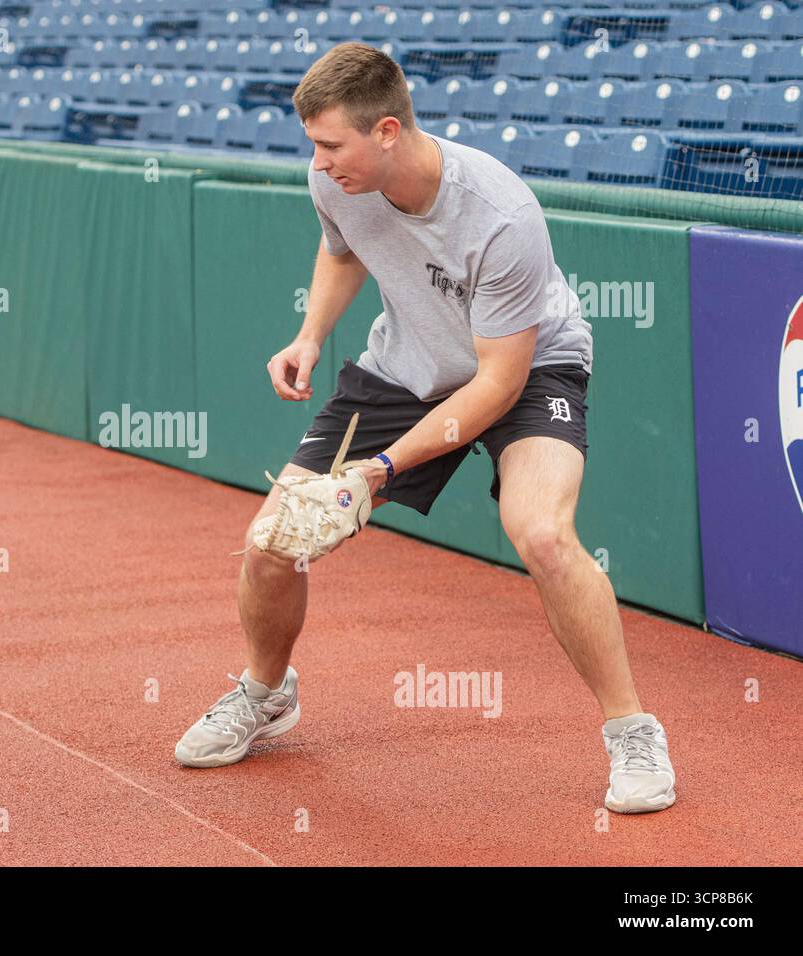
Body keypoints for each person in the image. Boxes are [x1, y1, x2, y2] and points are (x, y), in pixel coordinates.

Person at [174, 43, 676, 814]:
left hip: (529, 365)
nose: (317, 160)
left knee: (541, 534)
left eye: (330, 144)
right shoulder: (337, 181)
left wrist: (375, 473)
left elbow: (499, 381)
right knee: (272, 542)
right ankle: (265, 694)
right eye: (313, 144)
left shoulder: (500, 214)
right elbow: (344, 249)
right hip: (407, 364)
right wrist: (310, 335)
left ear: (385, 131)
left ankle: (633, 731)